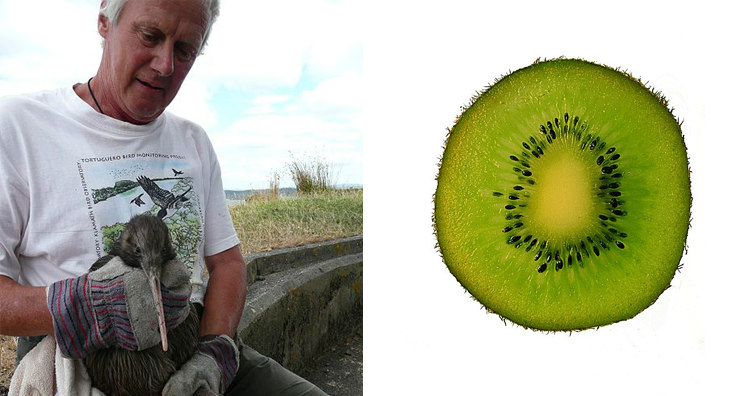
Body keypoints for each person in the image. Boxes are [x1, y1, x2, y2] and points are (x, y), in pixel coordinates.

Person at [0, 0, 327, 394]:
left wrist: (216, 351)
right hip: (91, 365)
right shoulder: (17, 127)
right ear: (105, 20)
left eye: (185, 49)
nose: (165, 65)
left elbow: (227, 265)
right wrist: (86, 307)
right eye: (150, 36)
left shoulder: (194, 141)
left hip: (190, 346)